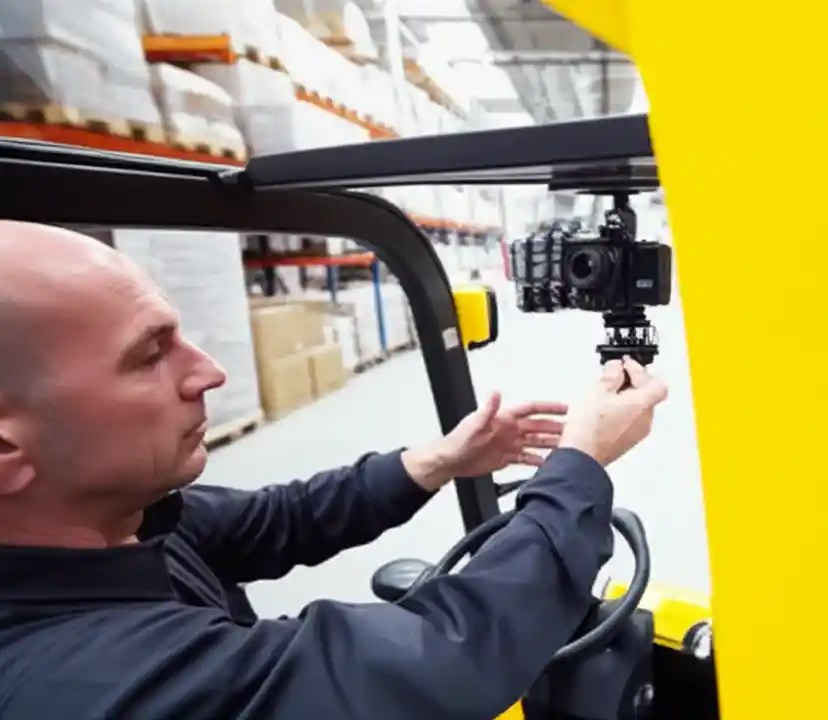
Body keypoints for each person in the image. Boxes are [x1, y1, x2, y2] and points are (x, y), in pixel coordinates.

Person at [0, 221, 669, 719]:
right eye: (150, 355)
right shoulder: (88, 684)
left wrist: (442, 460)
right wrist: (579, 463)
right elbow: (444, 659)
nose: (209, 371)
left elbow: (277, 519)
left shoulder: (115, 521)